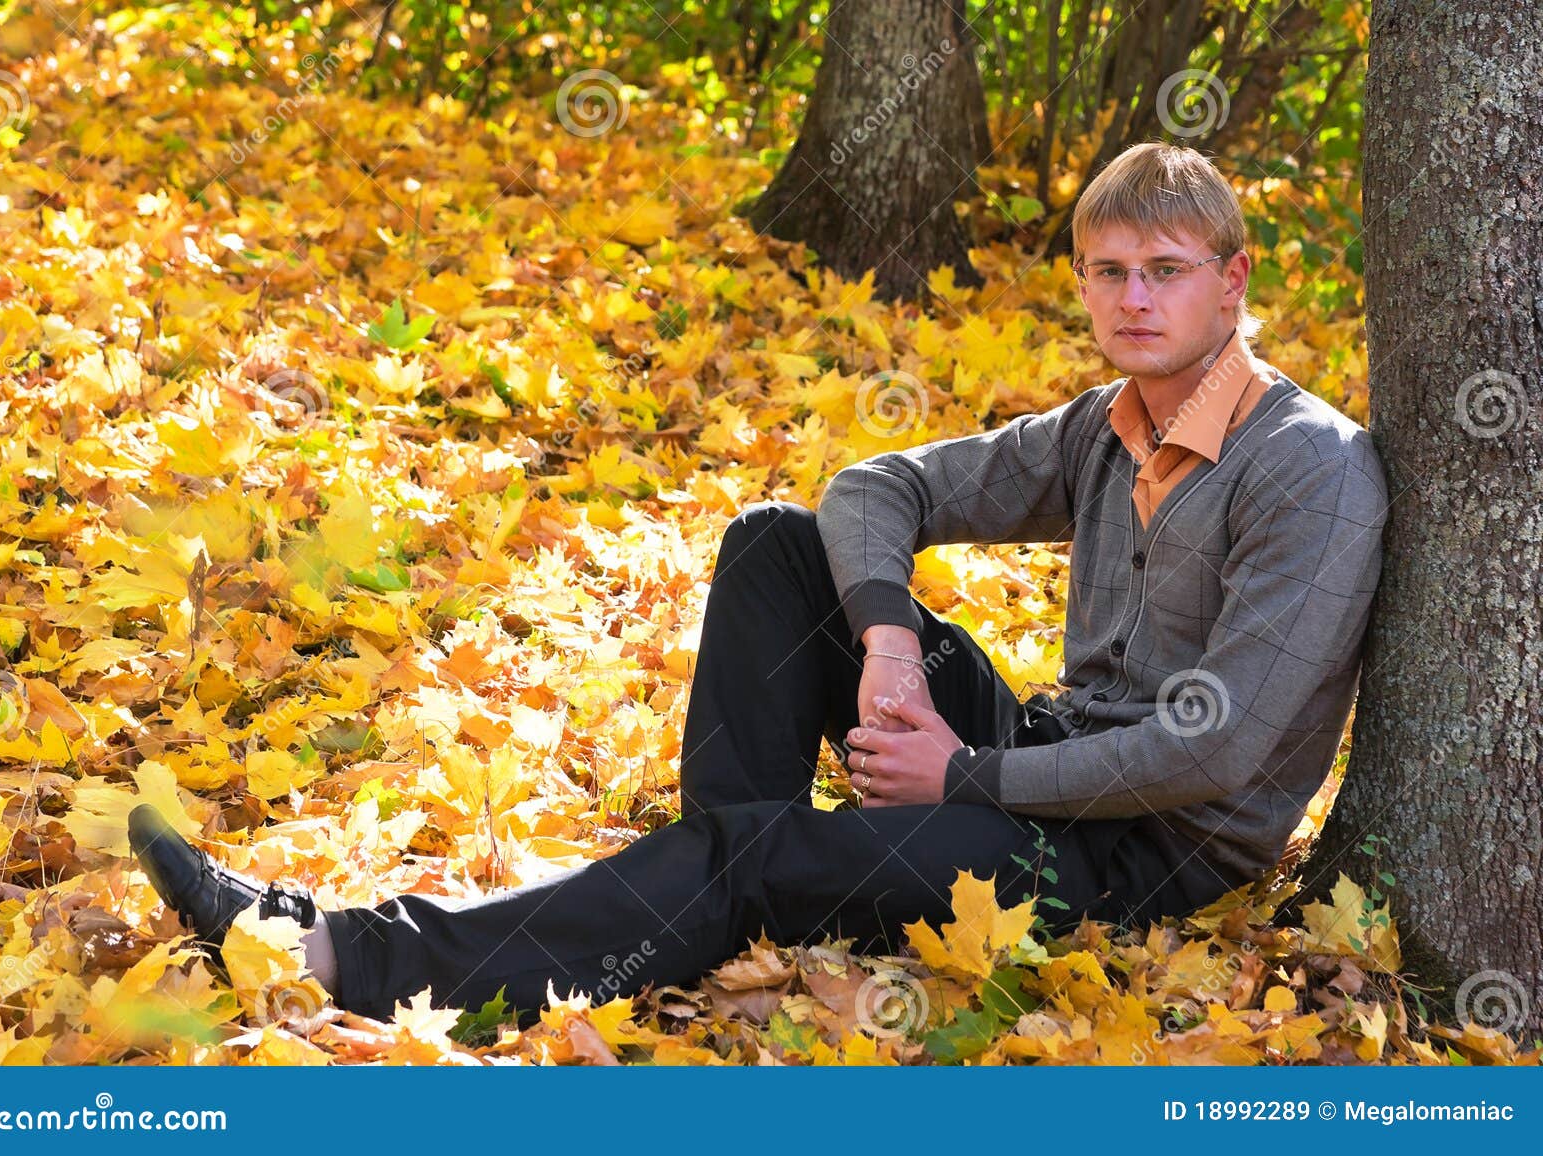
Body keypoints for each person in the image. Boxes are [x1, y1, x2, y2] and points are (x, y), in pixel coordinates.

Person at [127, 141, 1389, 1028]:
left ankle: (337, 944)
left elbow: (1208, 749)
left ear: (1233, 279)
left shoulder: (1308, 468)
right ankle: (721, 887)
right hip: (1040, 751)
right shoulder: (1102, 424)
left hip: (1140, 855)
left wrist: (963, 776)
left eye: (1166, 270)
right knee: (776, 544)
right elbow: (871, 489)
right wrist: (888, 642)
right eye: (1108, 273)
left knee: (766, 846)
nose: (1134, 298)